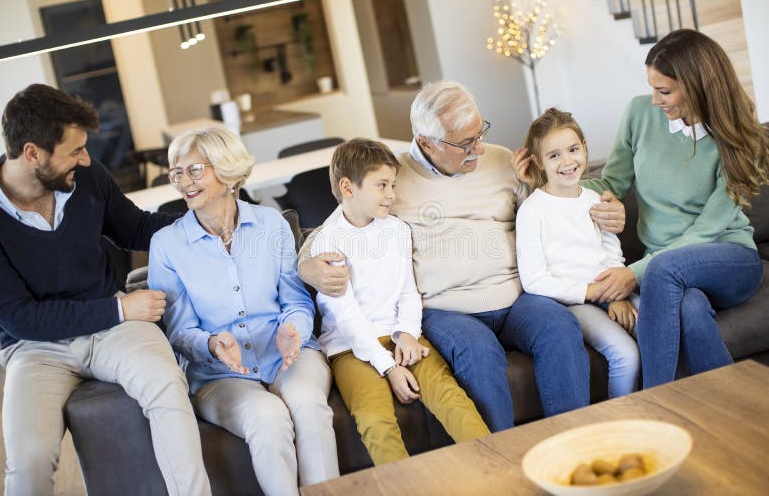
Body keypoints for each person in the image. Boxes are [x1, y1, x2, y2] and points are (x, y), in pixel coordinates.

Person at [299, 81, 626, 432]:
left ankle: (573, 447)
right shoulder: (392, 178)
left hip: (518, 297)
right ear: (426, 142)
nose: (480, 148)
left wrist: (608, 210)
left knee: (559, 328)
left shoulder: (502, 162)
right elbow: (330, 230)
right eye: (466, 142)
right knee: (479, 354)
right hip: (447, 309)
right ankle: (501, 468)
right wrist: (308, 267)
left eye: (480, 133)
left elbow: (557, 201)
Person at [0, 84, 211, 496]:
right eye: (74, 151)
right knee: (27, 461)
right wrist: (119, 310)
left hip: (115, 332)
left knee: (168, 386)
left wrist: (203, 216)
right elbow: (21, 318)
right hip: (36, 347)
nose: (85, 159)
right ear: (32, 153)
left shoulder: (85, 176)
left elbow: (134, 228)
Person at [148, 127, 339, 496]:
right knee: (267, 420)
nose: (183, 182)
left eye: (194, 170)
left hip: (288, 354)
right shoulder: (166, 245)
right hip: (220, 375)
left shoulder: (271, 225)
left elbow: (296, 300)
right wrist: (212, 343)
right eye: (176, 172)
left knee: (310, 408)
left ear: (226, 170)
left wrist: (294, 329)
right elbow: (178, 331)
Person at [578, 29, 768, 387]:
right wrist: (550, 181)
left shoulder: (741, 141)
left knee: (663, 269)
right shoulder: (638, 113)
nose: (654, 100)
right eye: (652, 88)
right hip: (670, 270)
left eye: (664, 91)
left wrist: (634, 273)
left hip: (729, 259)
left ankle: (654, 401)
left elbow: (706, 231)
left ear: (697, 86)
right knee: (690, 307)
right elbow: (610, 183)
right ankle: (735, 408)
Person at [310, 139, 490, 465]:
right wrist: (389, 366)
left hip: (400, 336)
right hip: (350, 348)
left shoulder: (397, 230)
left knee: (450, 397)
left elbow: (408, 291)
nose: (392, 194)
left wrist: (407, 332)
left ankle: (499, 471)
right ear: (348, 187)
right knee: (375, 420)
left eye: (393, 184)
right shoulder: (328, 241)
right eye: (382, 185)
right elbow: (347, 319)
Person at [516, 107, 640, 398]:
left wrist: (616, 294)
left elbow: (612, 252)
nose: (567, 161)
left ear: (585, 147)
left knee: (657, 325)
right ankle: (621, 423)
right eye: (554, 155)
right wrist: (595, 292)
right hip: (574, 302)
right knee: (625, 354)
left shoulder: (595, 199)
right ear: (538, 162)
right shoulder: (533, 211)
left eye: (573, 149)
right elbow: (535, 281)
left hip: (609, 290)